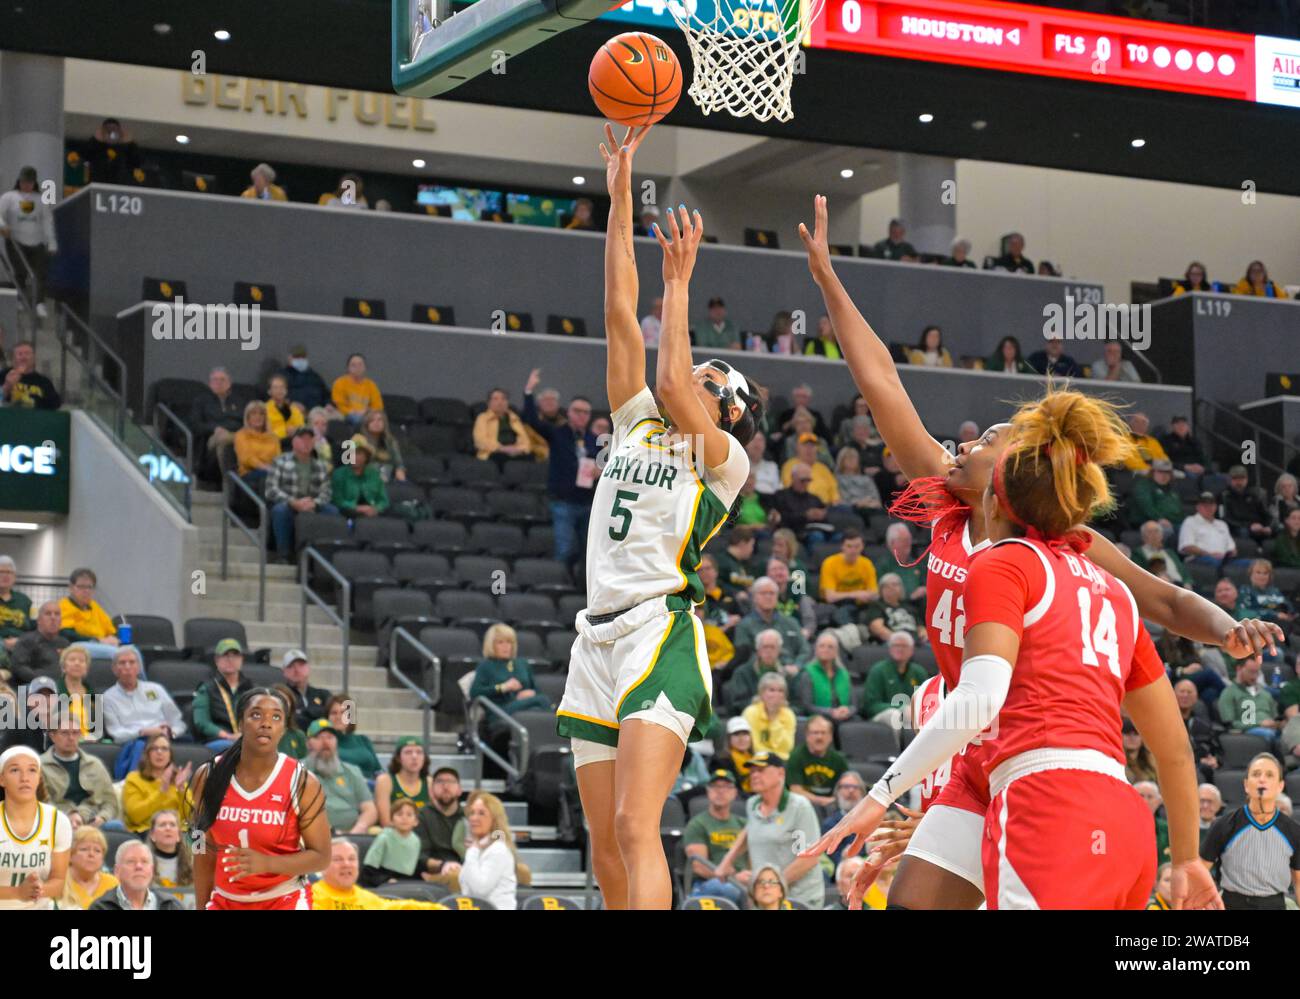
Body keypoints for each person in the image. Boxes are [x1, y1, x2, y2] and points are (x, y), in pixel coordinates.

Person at [808, 388, 1225, 910]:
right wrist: (1186, 858)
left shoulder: (1003, 563)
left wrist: (878, 795)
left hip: (1046, 799)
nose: (959, 448)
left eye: (987, 440)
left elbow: (980, 699)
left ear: (996, 495)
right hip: (1116, 812)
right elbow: (1174, 749)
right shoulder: (1110, 591)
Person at [556, 127, 765, 910]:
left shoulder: (722, 459)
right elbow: (617, 311)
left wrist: (680, 282)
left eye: (717, 378)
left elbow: (675, 378)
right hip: (596, 635)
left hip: (660, 631)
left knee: (640, 827)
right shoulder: (637, 419)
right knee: (605, 840)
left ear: (731, 412)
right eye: (702, 368)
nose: (698, 377)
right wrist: (618, 191)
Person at [187, 687, 331, 909]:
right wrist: (201, 906)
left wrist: (267, 863)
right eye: (256, 714)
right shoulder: (207, 777)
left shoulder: (302, 782)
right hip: (225, 900)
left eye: (276, 716)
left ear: (283, 728)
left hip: (284, 899)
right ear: (240, 723)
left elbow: (322, 857)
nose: (266, 723)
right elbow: (200, 849)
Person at [713, 752, 824, 908]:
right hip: (765, 898)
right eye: (752, 771)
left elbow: (810, 858)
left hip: (798, 898)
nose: (754, 775)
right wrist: (727, 861)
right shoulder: (752, 804)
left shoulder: (799, 807)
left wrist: (770, 885)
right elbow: (750, 829)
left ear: (781, 773)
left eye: (761, 770)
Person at [1200, 753, 1300, 909]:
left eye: (1269, 775)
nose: (1262, 779)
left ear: (1280, 786)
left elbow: (1298, 882)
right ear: (1246, 784)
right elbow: (1201, 872)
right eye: (1256, 774)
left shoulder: (1294, 831)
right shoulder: (1224, 825)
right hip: (1231, 903)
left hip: (1274, 905)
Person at [522, 368, 600, 565]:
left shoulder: (595, 440)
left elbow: (608, 465)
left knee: (587, 551)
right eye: (577, 411)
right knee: (565, 548)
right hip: (563, 501)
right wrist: (529, 392)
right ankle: (560, 585)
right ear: (568, 412)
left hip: (588, 502)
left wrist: (601, 471)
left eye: (586, 412)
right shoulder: (558, 432)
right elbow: (532, 421)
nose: (582, 415)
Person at [0, 746, 71, 908]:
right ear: (1, 779)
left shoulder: (57, 821)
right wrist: (17, 893)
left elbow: (59, 881)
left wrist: (37, 890)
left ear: (39, 777)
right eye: (15, 770)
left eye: (32, 770)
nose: (24, 777)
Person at [103, 645, 187, 777]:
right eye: (122, 663)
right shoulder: (108, 697)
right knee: (140, 746)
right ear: (114, 669)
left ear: (139, 667)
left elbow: (178, 722)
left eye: (132, 662)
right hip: (134, 742)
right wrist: (143, 732)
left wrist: (170, 732)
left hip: (164, 738)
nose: (127, 666)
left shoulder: (155, 689)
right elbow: (116, 734)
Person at [265, 430, 336, 563]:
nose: (306, 442)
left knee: (333, 511)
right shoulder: (280, 461)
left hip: (311, 505)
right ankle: (283, 555)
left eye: (310, 439)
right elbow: (271, 489)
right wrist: (292, 502)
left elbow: (326, 492)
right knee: (280, 510)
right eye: (302, 439)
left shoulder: (321, 466)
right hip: (288, 504)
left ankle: (328, 556)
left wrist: (314, 503)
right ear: (293, 442)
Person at [40, 715, 120, 829]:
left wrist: (102, 818)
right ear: (52, 736)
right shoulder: (40, 766)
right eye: (64, 733)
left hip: (93, 820)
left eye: (75, 732)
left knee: (115, 826)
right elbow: (43, 802)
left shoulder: (94, 764)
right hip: (57, 821)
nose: (71, 737)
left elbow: (110, 801)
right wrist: (69, 816)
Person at [684, 770, 748, 904]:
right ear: (708, 791)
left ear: (735, 792)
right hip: (708, 884)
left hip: (743, 881)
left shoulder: (744, 824)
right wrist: (735, 878)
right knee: (734, 890)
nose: (720, 791)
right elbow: (699, 867)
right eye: (715, 787)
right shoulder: (697, 824)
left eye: (726, 787)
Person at [0, 165, 58, 314]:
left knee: (40, 273)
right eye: (23, 181)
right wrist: (3, 226)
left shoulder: (41, 200)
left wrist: (51, 242)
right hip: (15, 241)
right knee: (20, 271)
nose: (26, 185)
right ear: (19, 181)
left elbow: (47, 221)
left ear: (34, 183)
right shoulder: (9, 197)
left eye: (29, 182)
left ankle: (39, 303)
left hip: (37, 242)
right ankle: (19, 299)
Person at [470, 623, 552, 719]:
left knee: (543, 708)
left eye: (509, 642)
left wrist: (531, 693)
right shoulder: (486, 665)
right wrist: (502, 687)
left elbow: (536, 689)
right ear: (491, 645)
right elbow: (475, 693)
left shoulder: (522, 664)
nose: (506, 646)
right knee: (542, 701)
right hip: (499, 711)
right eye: (500, 642)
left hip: (523, 708)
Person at [457, 790, 520, 909]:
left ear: (494, 819)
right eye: (472, 813)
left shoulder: (498, 849)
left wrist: (472, 850)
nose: (474, 818)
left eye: (481, 813)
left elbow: (479, 890)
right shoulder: (481, 848)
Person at [193, 637, 254, 751]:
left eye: (235, 655)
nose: (230, 659)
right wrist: (228, 736)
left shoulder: (251, 688)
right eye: (225, 655)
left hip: (246, 738)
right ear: (216, 660)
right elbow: (202, 722)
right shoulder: (206, 688)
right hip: (219, 740)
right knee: (233, 748)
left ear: (241, 659)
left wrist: (246, 735)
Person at [87, 840, 185, 911]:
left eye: (144, 861)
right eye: (131, 861)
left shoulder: (172, 906)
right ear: (117, 871)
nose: (139, 866)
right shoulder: (100, 907)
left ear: (152, 870)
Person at [122, 732, 191, 833]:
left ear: (170, 754)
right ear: (147, 753)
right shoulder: (134, 779)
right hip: (147, 831)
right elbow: (135, 816)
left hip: (177, 833)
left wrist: (181, 791)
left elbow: (189, 817)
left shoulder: (178, 779)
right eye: (154, 748)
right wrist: (161, 791)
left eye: (164, 749)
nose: (159, 752)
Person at [733, 578, 809, 666]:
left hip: (791, 670)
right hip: (758, 672)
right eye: (763, 593)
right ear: (754, 598)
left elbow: (805, 650)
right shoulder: (744, 625)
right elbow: (743, 656)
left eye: (772, 593)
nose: (768, 597)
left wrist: (797, 666)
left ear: (777, 597)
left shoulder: (791, 622)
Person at [190, 367, 245, 485]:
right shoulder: (201, 401)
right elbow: (196, 425)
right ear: (210, 383)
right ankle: (231, 483)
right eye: (215, 380)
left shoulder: (239, 401)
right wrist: (215, 428)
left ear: (229, 383)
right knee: (222, 438)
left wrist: (226, 428)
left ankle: (229, 482)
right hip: (211, 439)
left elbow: (244, 422)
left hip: (236, 435)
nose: (218, 383)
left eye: (222, 380)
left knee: (225, 442)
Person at [862, 632, 927, 732]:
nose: (900, 649)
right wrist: (902, 708)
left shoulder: (919, 672)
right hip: (882, 716)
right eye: (896, 645)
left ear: (911, 650)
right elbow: (870, 705)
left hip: (911, 714)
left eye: (904, 646)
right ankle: (897, 748)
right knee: (895, 715)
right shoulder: (878, 670)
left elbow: (924, 700)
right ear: (890, 649)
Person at [415, 766, 465, 889]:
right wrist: (443, 865)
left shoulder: (472, 815)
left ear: (460, 790)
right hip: (437, 873)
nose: (445, 786)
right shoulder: (421, 816)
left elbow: (498, 831)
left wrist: (491, 841)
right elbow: (419, 856)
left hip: (472, 869)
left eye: (451, 782)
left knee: (520, 870)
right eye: (440, 781)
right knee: (455, 875)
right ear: (431, 791)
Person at [786, 715, 849, 808]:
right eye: (815, 733)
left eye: (823, 733)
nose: (819, 737)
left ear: (831, 737)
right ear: (807, 736)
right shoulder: (796, 756)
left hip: (832, 807)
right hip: (803, 806)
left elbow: (846, 787)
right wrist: (822, 801)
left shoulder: (838, 759)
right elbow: (796, 791)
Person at [794, 631, 855, 725]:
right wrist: (830, 712)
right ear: (816, 650)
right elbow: (806, 706)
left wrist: (848, 711)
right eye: (821, 646)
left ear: (836, 652)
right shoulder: (807, 673)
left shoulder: (844, 674)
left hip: (843, 718)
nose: (825, 649)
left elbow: (853, 705)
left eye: (830, 647)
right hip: (818, 718)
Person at [818, 531, 879, 625]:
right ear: (842, 547)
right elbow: (830, 597)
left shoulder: (867, 564)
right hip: (836, 606)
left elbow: (874, 593)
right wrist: (856, 594)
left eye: (857, 546)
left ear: (862, 547)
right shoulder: (829, 563)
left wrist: (864, 596)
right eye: (849, 546)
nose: (853, 550)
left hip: (861, 606)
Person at [1218, 655, 1280, 744]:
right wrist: (1259, 724)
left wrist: (1279, 724)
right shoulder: (1229, 693)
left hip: (1272, 729)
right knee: (1268, 734)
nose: (1254, 677)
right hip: (1249, 732)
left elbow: (1275, 718)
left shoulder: (1265, 694)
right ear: (1239, 669)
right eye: (1251, 672)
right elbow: (1230, 724)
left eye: (1257, 672)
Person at [361, 797, 423, 886]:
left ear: (416, 821)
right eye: (399, 814)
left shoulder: (416, 841)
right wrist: (385, 880)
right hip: (383, 878)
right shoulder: (384, 838)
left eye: (409, 815)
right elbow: (369, 869)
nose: (404, 818)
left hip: (407, 881)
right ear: (392, 820)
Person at [58, 567, 119, 651]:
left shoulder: (95, 606)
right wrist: (96, 640)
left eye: (89, 587)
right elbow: (66, 634)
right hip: (78, 648)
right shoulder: (64, 605)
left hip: (102, 645)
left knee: (132, 651)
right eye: (81, 587)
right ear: (71, 588)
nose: (86, 591)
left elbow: (111, 630)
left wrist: (112, 639)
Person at [7, 600, 68, 685]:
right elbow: (18, 667)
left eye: (57, 614)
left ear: (61, 621)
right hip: (32, 688)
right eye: (48, 614)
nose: (53, 618)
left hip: (60, 689)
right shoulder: (27, 640)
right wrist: (42, 682)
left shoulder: (64, 643)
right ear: (39, 620)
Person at [472, 386, 539, 463]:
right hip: (494, 452)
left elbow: (525, 439)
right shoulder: (482, 418)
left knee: (531, 456)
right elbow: (480, 441)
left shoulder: (514, 418)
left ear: (507, 402)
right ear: (489, 403)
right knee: (501, 458)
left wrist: (519, 449)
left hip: (515, 450)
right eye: (495, 399)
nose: (500, 402)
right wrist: (502, 448)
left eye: (503, 399)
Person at [331, 435, 389, 519]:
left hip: (373, 514)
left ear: (366, 456)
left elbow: (383, 500)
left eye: (358, 453)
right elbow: (337, 500)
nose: (354, 457)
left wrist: (376, 509)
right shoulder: (339, 474)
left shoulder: (375, 475)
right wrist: (357, 508)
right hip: (348, 513)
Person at [1174, 680, 1221, 783]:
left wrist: (1214, 759)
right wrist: (1197, 761)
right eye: (1182, 691)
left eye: (1189, 692)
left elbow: (1216, 749)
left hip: (1203, 768)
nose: (1185, 695)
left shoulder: (1204, 725)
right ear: (1173, 695)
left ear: (1196, 698)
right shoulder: (1165, 723)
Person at [60, 825, 117, 909]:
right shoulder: (59, 882)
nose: (91, 854)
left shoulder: (113, 884)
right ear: (70, 855)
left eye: (97, 850)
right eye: (84, 849)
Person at [742, 672, 796, 758]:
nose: (776, 694)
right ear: (761, 693)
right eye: (772, 690)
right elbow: (753, 745)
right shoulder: (750, 712)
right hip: (757, 759)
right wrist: (771, 758)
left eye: (780, 691)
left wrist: (774, 718)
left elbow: (787, 747)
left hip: (782, 761)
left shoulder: (789, 714)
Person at [1178, 492, 1236, 567]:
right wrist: (1209, 555)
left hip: (1225, 559)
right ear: (1198, 507)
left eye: (1211, 505)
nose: (1209, 508)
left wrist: (1227, 555)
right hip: (1199, 559)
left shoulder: (1222, 524)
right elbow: (1187, 546)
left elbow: (1233, 549)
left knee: (1251, 564)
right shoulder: (1190, 521)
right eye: (1205, 505)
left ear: (1215, 507)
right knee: (1219, 564)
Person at [1128, 459, 1183, 535]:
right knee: (1166, 530)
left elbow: (1179, 509)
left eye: (1167, 472)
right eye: (1160, 472)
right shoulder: (1143, 485)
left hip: (1174, 522)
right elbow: (1147, 507)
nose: (1164, 475)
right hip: (1149, 522)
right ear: (1153, 472)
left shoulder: (1172, 487)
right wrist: (1159, 518)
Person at [0, 341, 61, 409]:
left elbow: (55, 405)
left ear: (34, 358)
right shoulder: (3, 375)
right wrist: (7, 386)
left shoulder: (44, 381)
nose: (24, 357)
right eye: (20, 354)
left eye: (27, 353)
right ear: (13, 359)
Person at [1237, 559, 1295, 631]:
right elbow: (1243, 613)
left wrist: (1289, 613)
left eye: (1265, 573)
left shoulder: (1275, 591)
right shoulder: (1245, 590)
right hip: (1259, 628)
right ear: (1250, 574)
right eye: (1258, 572)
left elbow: (1289, 607)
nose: (1262, 576)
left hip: (1283, 627)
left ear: (1270, 576)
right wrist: (1274, 614)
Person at [862, 575, 924, 642]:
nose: (891, 588)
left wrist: (923, 634)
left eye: (894, 584)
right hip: (892, 643)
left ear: (901, 588)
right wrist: (899, 640)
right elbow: (876, 628)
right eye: (886, 586)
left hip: (917, 643)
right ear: (881, 590)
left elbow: (920, 627)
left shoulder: (909, 607)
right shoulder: (877, 606)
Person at [781, 434, 839, 505]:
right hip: (801, 506)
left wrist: (835, 504)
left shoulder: (823, 468)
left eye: (812, 446)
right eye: (805, 445)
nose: (809, 449)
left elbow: (834, 491)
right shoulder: (790, 466)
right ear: (797, 448)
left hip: (825, 508)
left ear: (817, 449)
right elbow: (791, 489)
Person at [1221, 465, 1274, 541]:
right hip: (1238, 527)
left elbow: (1265, 514)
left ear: (1247, 479)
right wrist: (1249, 526)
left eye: (1242, 479)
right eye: (1235, 479)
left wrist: (1268, 526)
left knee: (1277, 529)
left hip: (1257, 525)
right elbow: (1226, 518)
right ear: (1230, 480)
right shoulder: (1225, 496)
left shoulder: (1255, 494)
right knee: (1243, 532)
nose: (1239, 482)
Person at [147, 809, 194, 891]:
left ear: (179, 836)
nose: (168, 828)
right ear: (152, 835)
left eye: (172, 825)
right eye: (162, 825)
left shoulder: (193, 864)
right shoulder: (144, 864)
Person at [85, 118, 142, 185]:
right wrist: (95, 139)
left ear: (119, 131)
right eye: (108, 130)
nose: (111, 133)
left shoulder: (126, 148)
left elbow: (138, 162)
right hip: (98, 186)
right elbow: (85, 155)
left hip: (119, 187)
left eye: (114, 129)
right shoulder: (96, 146)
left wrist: (130, 142)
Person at [714, 526, 763, 601]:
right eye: (751, 545)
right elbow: (715, 583)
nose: (752, 550)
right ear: (742, 543)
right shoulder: (721, 562)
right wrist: (735, 593)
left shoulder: (741, 564)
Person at [331, 354, 383, 424]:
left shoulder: (371, 385)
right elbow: (339, 405)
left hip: (366, 415)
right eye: (353, 365)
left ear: (365, 367)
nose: (357, 368)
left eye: (360, 364)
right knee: (359, 420)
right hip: (347, 415)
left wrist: (366, 411)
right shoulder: (339, 383)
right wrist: (353, 412)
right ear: (348, 368)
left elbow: (378, 406)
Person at [358, 408, 406, 483]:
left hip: (389, 477)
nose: (376, 423)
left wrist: (400, 471)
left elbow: (398, 463)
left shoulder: (390, 441)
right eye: (372, 420)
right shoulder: (359, 441)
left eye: (380, 420)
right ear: (366, 424)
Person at [279, 346, 331, 412]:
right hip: (292, 410)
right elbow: (276, 395)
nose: (300, 360)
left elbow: (326, 394)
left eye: (303, 357)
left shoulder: (314, 376)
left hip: (317, 410)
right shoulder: (282, 376)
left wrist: (328, 404)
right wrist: (290, 403)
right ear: (289, 358)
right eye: (297, 357)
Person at [832, 447, 882, 516]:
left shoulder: (866, 479)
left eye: (854, 457)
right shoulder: (836, 479)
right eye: (848, 457)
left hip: (870, 509)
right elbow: (839, 500)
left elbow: (876, 498)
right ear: (841, 460)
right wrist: (858, 504)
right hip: (850, 511)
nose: (851, 460)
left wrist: (870, 503)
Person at [265, 373, 305, 442]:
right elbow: (265, 434)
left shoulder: (294, 409)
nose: (279, 390)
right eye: (275, 387)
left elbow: (302, 427)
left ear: (286, 390)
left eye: (282, 387)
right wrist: (285, 431)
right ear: (269, 391)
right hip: (275, 445)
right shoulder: (264, 410)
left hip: (294, 443)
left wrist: (295, 430)